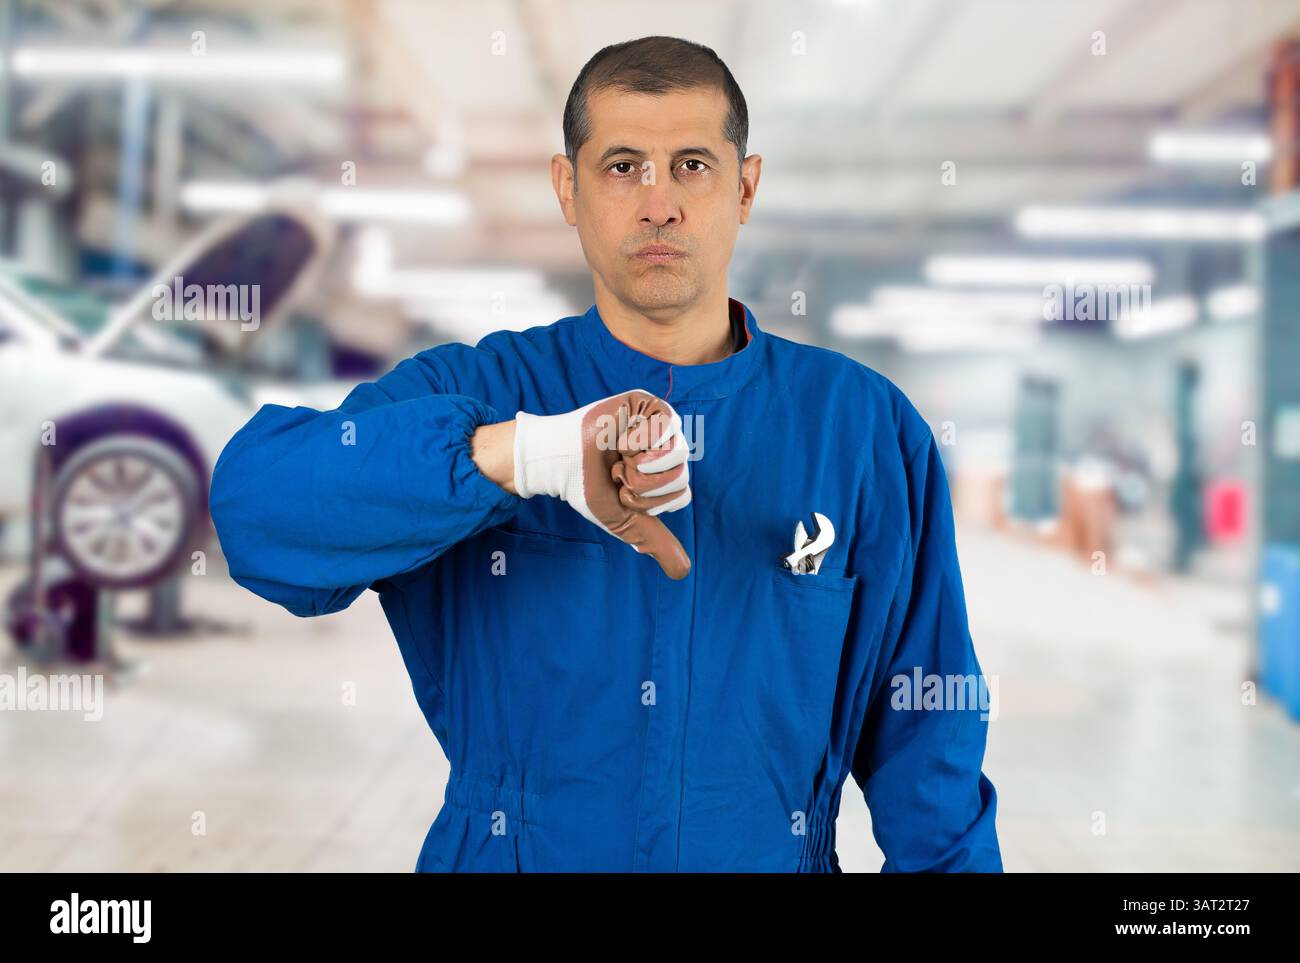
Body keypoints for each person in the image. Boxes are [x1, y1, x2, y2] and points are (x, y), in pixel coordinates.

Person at [209, 35, 1002, 873]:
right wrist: (525, 456)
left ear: (746, 186)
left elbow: (930, 749)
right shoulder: (478, 390)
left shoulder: (862, 429)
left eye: (692, 165)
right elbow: (258, 513)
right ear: (568, 188)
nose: (659, 204)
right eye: (623, 166)